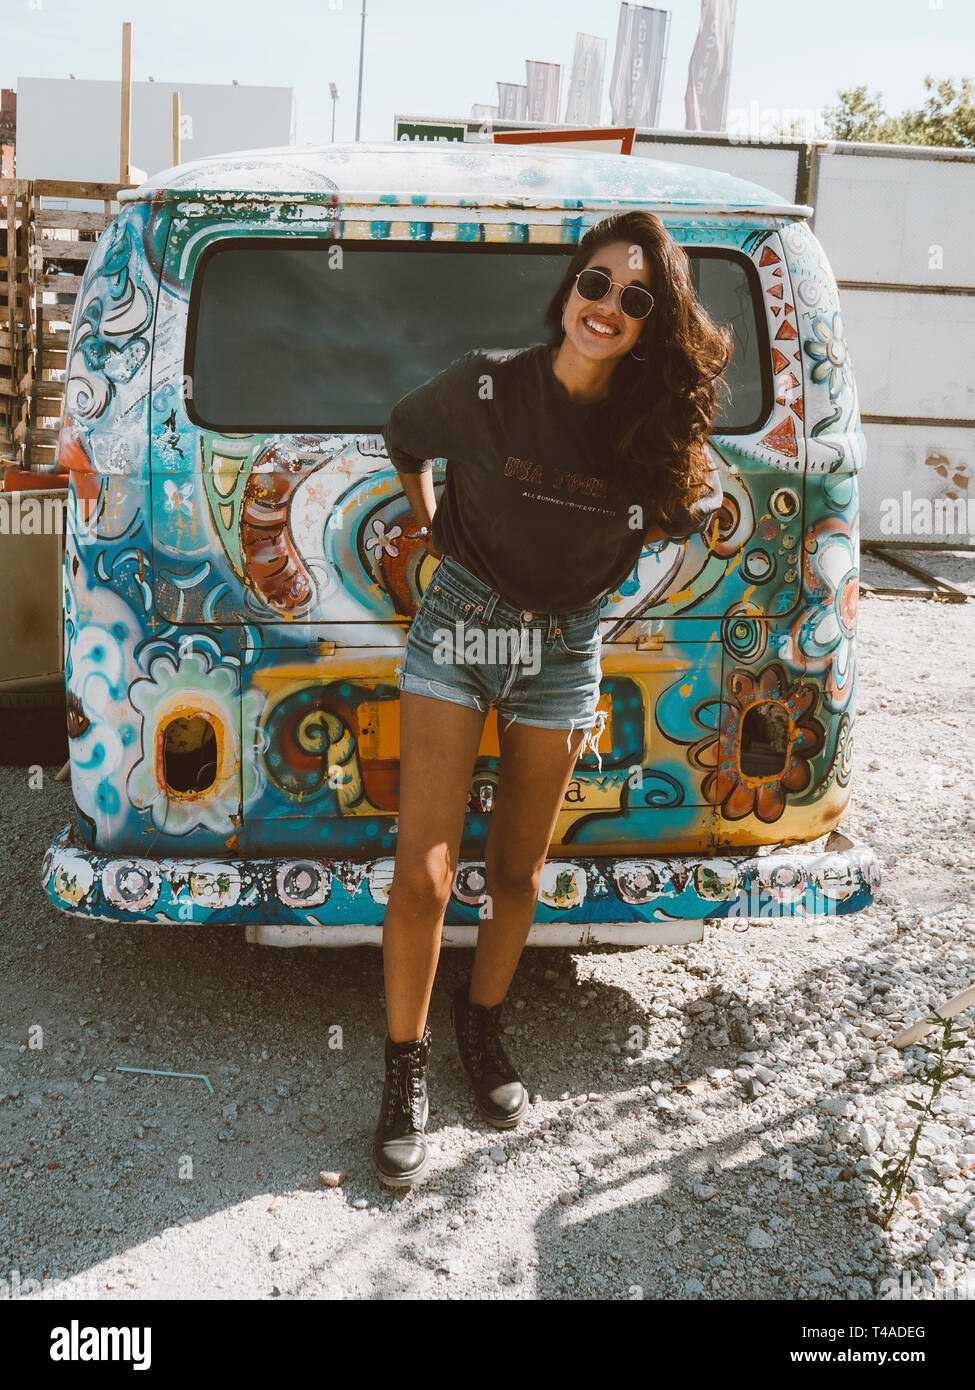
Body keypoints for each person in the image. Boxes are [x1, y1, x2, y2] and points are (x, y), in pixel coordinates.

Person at [373, 209, 733, 1187]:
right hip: (459, 623)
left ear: (655, 323)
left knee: (520, 872)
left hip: (566, 648)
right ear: (569, 289)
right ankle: (404, 1071)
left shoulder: (655, 437)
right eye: (596, 283)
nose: (608, 305)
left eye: (637, 297)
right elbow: (403, 437)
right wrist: (432, 526)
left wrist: (597, 608)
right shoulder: (488, 387)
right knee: (425, 871)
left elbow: (687, 525)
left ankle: (480, 1027)